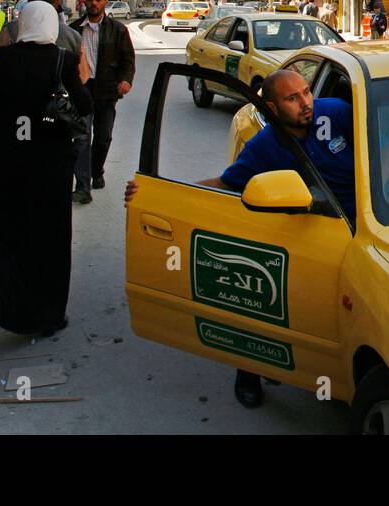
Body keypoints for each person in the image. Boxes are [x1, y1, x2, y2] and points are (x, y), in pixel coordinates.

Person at [123, 68, 354, 409]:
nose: (307, 104)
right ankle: (249, 369)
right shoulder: (263, 147)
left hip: (359, 230)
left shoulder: (336, 111)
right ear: (273, 109)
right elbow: (225, 184)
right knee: (266, 303)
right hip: (301, 237)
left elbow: (386, 145)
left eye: (306, 93)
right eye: (293, 98)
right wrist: (155, 195)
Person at [0, 2, 91, 347]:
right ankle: (45, 315)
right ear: (51, 26)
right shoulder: (62, 61)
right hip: (49, 171)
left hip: (7, 167)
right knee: (47, 242)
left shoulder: (0, 59)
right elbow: (85, 106)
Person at [71, 0, 135, 202]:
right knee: (81, 138)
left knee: (103, 138)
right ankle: (82, 186)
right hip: (81, 91)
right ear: (84, 1)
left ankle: (96, 172)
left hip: (107, 92)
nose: (94, 3)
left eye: (98, 0)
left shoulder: (117, 30)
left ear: (105, 2)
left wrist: (126, 80)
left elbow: (128, 60)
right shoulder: (74, 29)